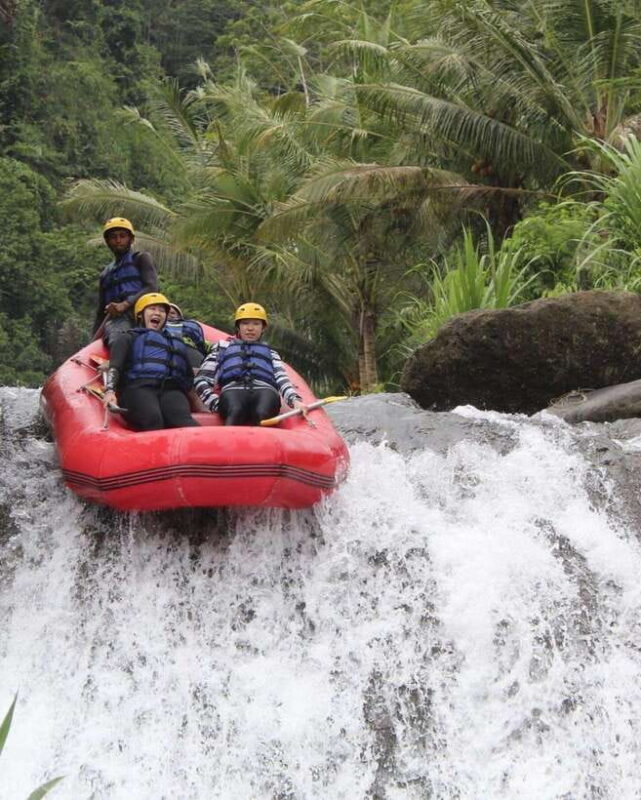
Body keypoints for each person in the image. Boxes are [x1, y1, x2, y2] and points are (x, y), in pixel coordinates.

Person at [194, 302, 308, 425]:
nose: (250, 328)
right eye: (245, 323)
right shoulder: (222, 348)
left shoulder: (271, 353)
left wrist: (295, 401)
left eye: (256, 323)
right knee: (235, 411)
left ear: (263, 328)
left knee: (262, 413)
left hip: (265, 391)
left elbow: (282, 380)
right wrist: (215, 403)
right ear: (238, 327)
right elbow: (202, 380)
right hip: (233, 390)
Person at [102, 292, 200, 431]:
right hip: (138, 388)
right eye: (152, 309)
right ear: (141, 314)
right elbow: (115, 366)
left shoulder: (176, 342)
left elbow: (187, 377)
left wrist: (199, 403)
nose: (158, 313)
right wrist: (110, 391)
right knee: (153, 420)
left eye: (161, 310)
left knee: (184, 422)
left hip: (170, 389)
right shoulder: (128, 337)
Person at [92, 217, 159, 346]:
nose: (118, 240)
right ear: (107, 241)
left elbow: (152, 287)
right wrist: (93, 341)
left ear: (131, 239)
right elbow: (101, 312)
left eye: (123, 236)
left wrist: (125, 304)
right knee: (118, 334)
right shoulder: (105, 275)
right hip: (117, 321)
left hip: (144, 316)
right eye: (113, 237)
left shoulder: (141, 258)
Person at [165, 303, 210, 370]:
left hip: (189, 350)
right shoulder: (156, 326)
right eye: (166, 312)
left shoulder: (188, 326)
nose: (169, 315)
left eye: (172, 313)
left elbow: (204, 345)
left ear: (179, 316)